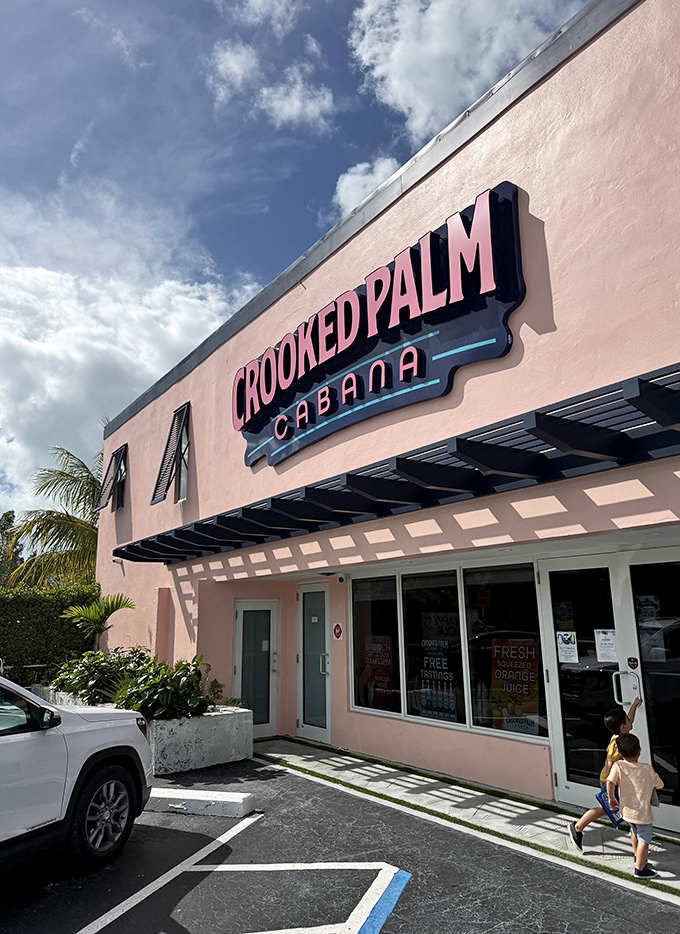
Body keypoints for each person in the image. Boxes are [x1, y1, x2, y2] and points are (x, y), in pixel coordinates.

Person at [567, 697, 642, 851]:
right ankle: (577, 827)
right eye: (628, 720)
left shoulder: (623, 734)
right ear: (623, 726)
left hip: (619, 781)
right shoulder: (617, 743)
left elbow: (630, 718)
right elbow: (609, 764)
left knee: (624, 805)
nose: (630, 720)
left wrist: (634, 705)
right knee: (608, 808)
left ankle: (639, 829)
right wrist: (610, 787)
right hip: (611, 781)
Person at [607, 732, 663, 878]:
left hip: (627, 811)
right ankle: (640, 868)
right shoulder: (647, 768)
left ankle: (637, 857)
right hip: (643, 813)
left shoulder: (618, 766)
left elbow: (610, 781)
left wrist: (611, 797)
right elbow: (660, 785)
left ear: (619, 753)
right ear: (639, 750)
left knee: (634, 832)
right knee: (644, 838)